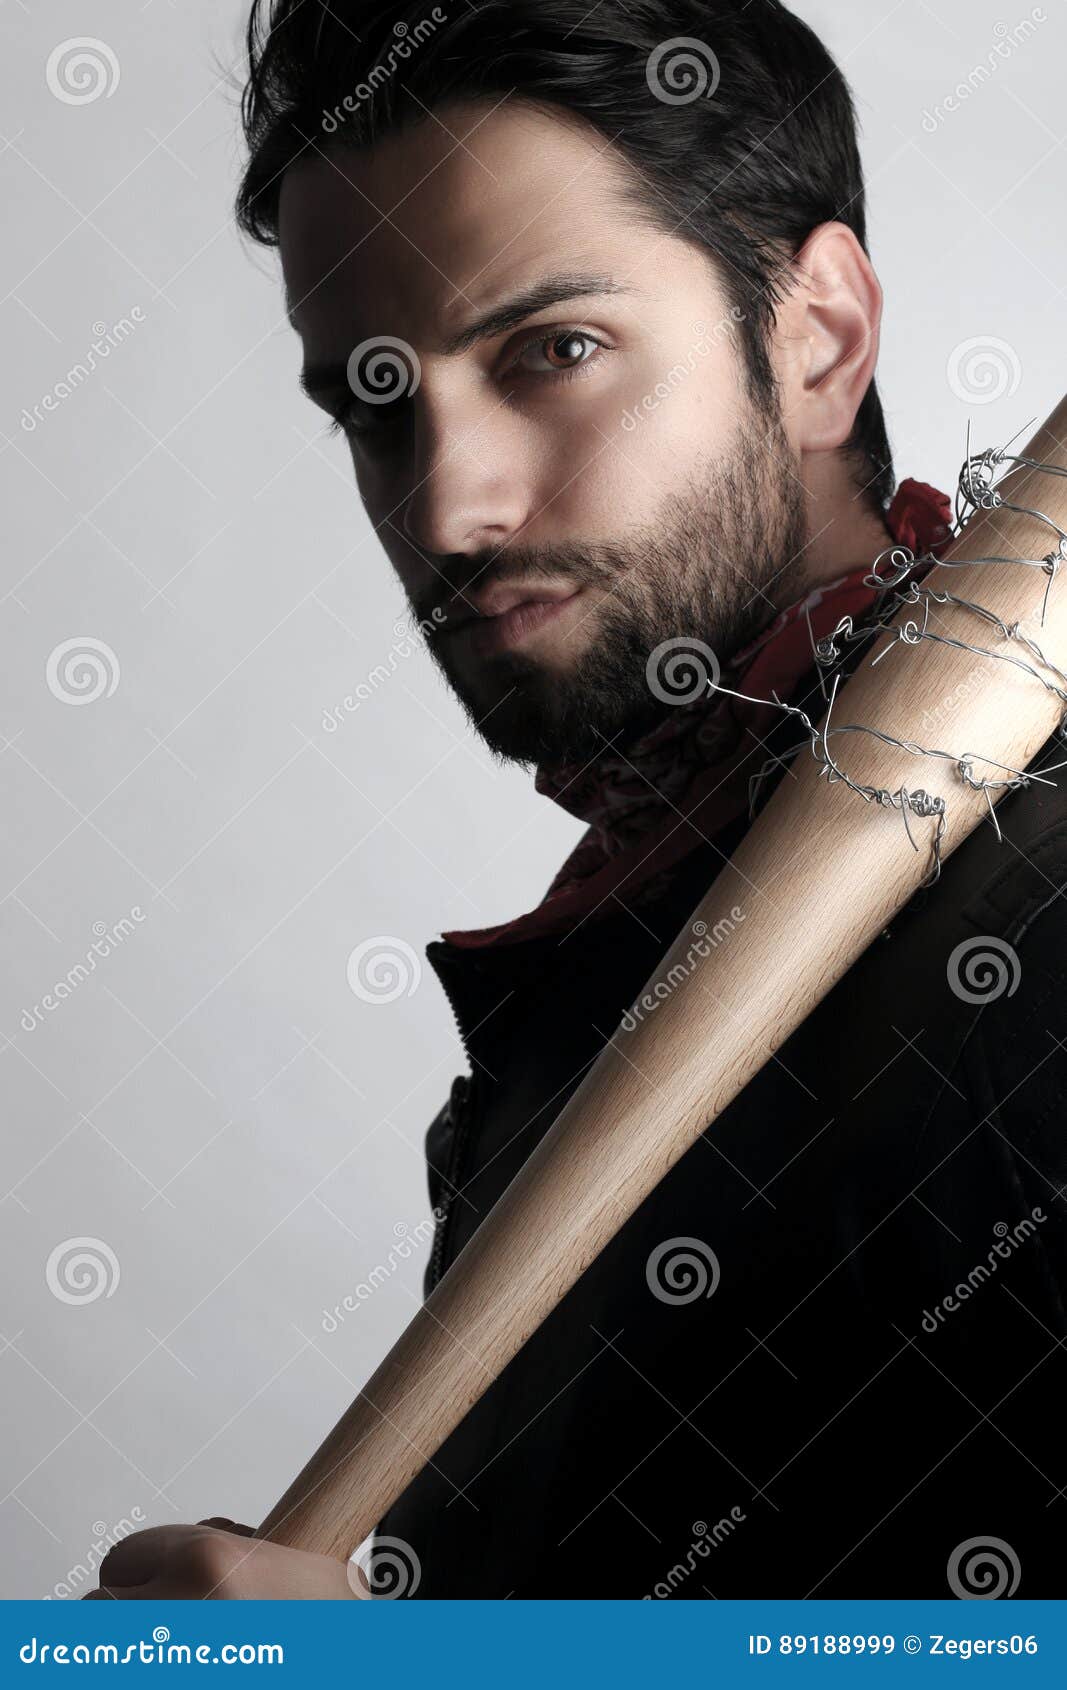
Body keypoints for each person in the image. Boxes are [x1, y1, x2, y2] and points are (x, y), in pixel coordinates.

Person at [87, 0, 1067, 1599]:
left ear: (817, 338)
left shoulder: (1037, 935)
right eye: (375, 403)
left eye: (553, 350)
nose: (447, 505)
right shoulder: (580, 999)